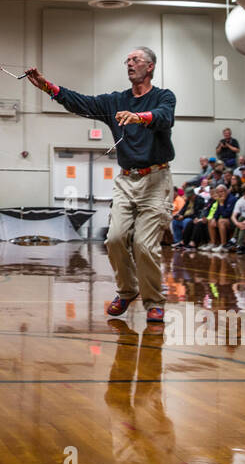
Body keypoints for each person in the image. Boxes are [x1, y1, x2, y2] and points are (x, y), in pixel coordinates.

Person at [27, 47, 174, 322]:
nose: (130, 64)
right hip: (126, 180)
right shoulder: (115, 101)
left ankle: (154, 301)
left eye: (136, 60)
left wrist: (139, 117)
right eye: (127, 60)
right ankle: (127, 291)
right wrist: (48, 87)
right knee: (115, 239)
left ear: (150, 67)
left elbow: (165, 117)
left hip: (156, 180)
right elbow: (82, 102)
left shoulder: (163, 97)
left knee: (143, 245)